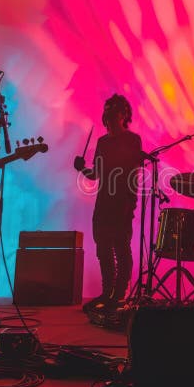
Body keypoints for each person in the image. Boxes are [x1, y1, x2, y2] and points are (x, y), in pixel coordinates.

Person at [74, 94, 142, 313]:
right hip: (104, 201)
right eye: (109, 113)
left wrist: (128, 202)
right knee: (103, 249)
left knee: (120, 248)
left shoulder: (132, 140)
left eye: (115, 113)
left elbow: (133, 171)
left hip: (122, 201)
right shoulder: (102, 142)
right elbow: (95, 175)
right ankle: (107, 293)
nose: (111, 117)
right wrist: (81, 169)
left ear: (124, 115)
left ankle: (118, 295)